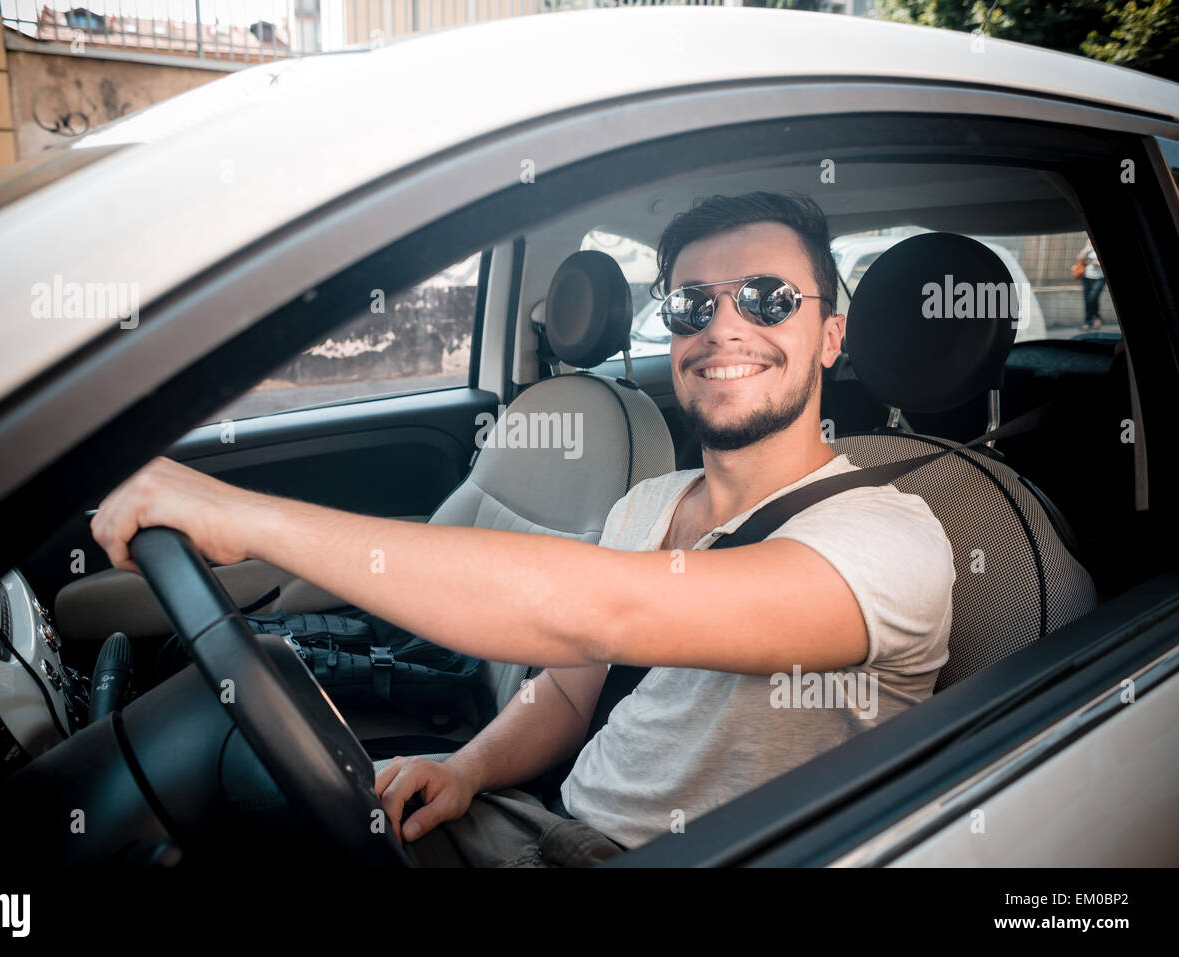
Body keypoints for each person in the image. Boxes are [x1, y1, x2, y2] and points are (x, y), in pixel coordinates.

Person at [90, 191, 955, 867]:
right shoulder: (647, 503)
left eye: (767, 299)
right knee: (225, 794)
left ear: (830, 335)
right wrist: (468, 766)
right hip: (541, 823)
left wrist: (246, 518)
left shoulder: (889, 539)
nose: (724, 326)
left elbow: (594, 610)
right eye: (693, 303)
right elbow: (573, 687)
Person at [1076, 242, 1105, 331]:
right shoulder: (1087, 248)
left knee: (1092, 298)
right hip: (1087, 277)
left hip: (1100, 278)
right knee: (1088, 300)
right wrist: (1087, 251)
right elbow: (1079, 258)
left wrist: (1097, 262)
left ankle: (1096, 317)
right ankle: (1088, 322)